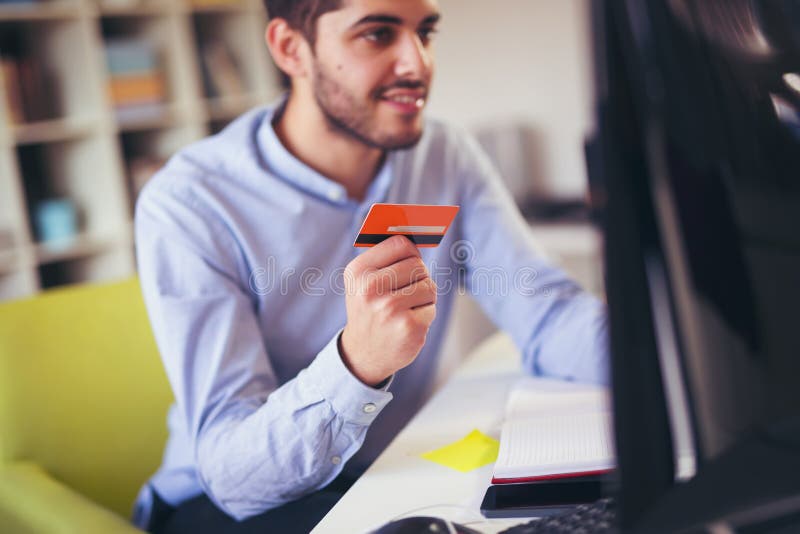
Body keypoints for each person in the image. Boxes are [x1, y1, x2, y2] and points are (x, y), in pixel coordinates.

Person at [133, 0, 609, 532]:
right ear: (291, 49)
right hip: (230, 504)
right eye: (378, 34)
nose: (417, 64)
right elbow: (235, 481)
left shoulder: (445, 155)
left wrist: (670, 363)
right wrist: (356, 362)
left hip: (385, 467)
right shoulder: (190, 202)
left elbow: (547, 312)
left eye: (425, 32)